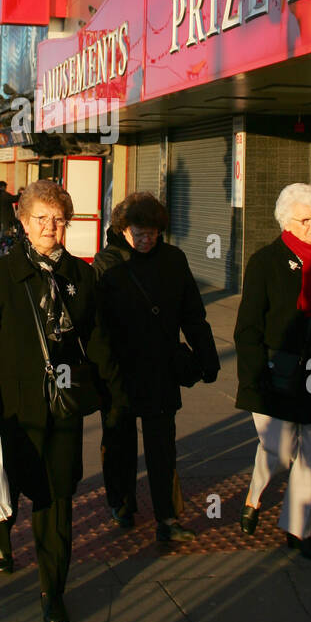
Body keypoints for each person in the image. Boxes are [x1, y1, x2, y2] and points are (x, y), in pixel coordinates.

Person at [0, 179, 127, 622]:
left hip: (63, 407)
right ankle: (0, 538)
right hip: (12, 406)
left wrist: (108, 391)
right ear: (24, 221)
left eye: (59, 219)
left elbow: (96, 339)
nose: (51, 227)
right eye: (42, 219)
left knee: (57, 497)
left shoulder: (80, 273)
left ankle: (53, 588)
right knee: (7, 483)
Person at [234, 183, 311, 562]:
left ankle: (298, 529)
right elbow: (249, 326)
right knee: (279, 450)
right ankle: (255, 496)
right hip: (277, 372)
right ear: (287, 222)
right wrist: (254, 376)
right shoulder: (265, 261)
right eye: (305, 220)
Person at [94, 192, 221, 542]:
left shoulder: (174, 260)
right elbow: (97, 327)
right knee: (118, 441)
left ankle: (167, 517)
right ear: (122, 229)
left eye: (153, 232)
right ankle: (121, 503)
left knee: (163, 446)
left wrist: (207, 358)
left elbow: (193, 314)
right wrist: (102, 372)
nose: (147, 239)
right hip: (118, 372)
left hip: (161, 368)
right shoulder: (106, 264)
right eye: (140, 232)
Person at [0, 180, 18, 251]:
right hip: (6, 220)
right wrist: (22, 194)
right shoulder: (4, 195)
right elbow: (14, 199)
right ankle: (5, 252)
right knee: (6, 237)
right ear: (3, 187)